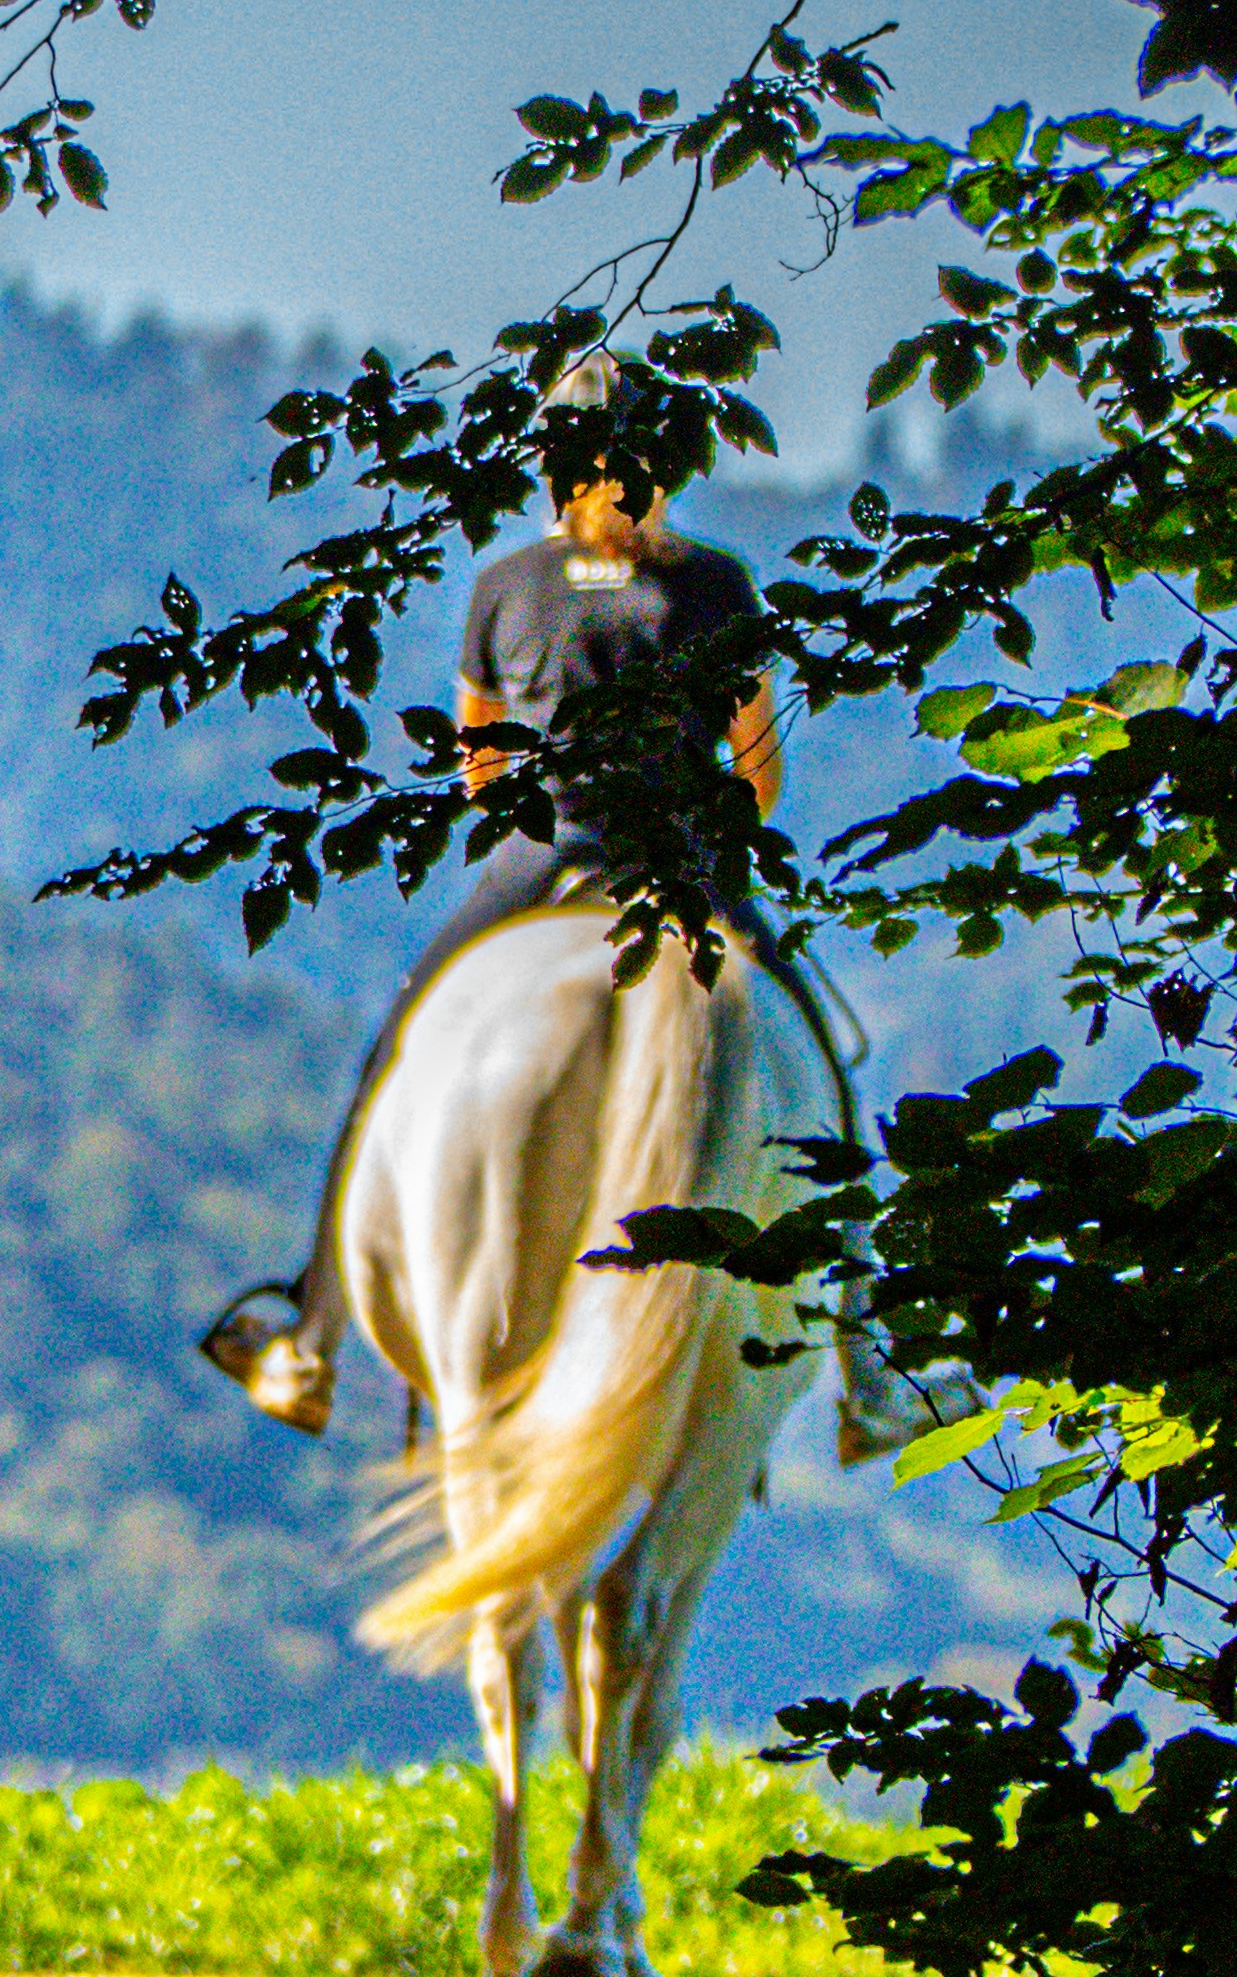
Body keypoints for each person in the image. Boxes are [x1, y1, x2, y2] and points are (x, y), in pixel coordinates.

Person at [196, 356, 802, 1434]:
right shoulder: (716, 585)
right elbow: (755, 761)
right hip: (684, 867)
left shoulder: (504, 586)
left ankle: (307, 1332)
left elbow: (482, 768)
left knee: (398, 1052)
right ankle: (885, 1369)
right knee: (820, 1054)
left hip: (546, 858)